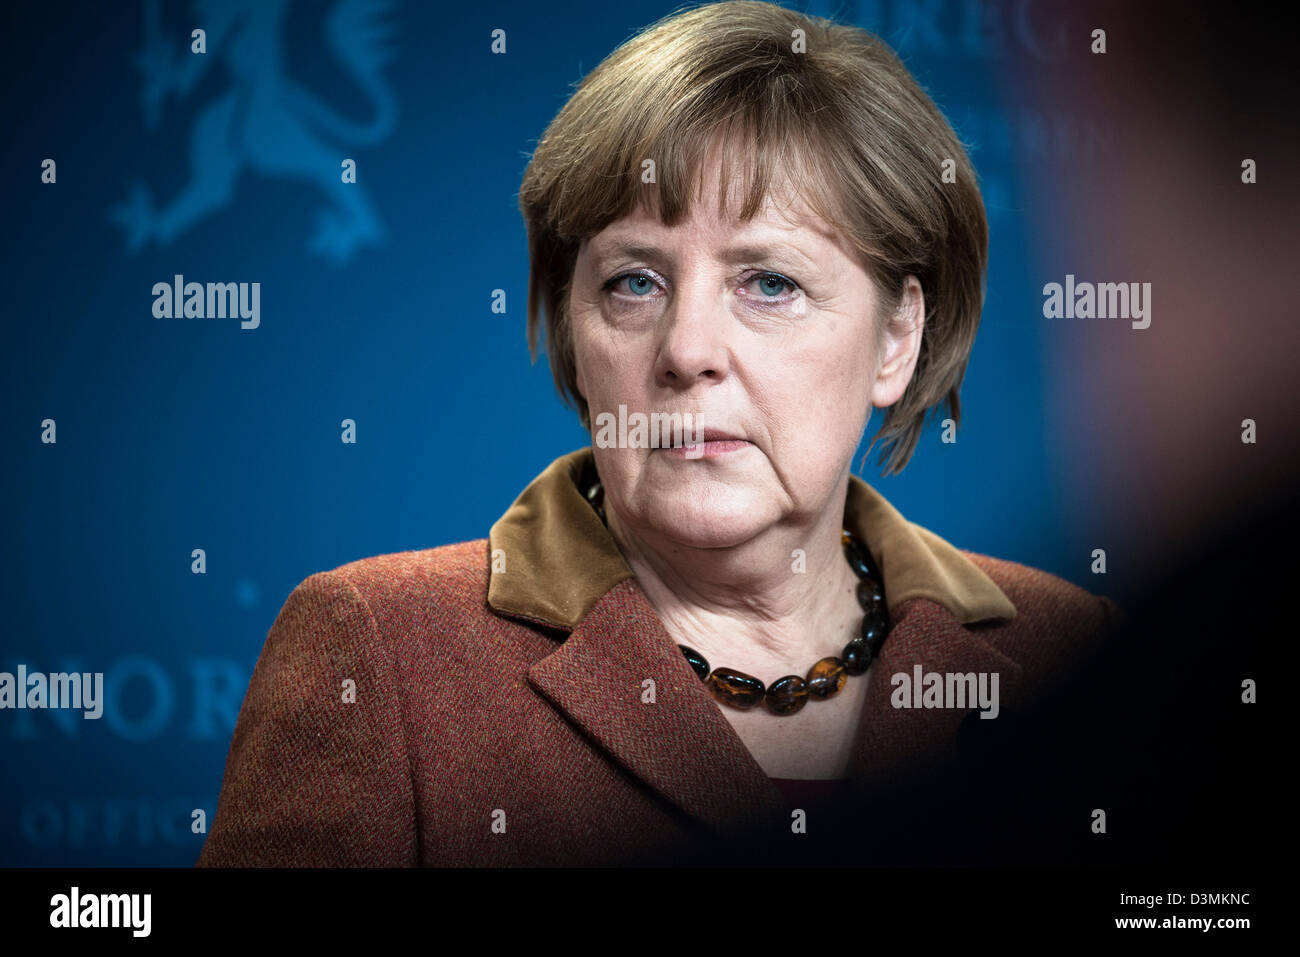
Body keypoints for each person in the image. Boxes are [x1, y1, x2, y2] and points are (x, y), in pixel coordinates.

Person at [197, 0, 1125, 868]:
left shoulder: (1072, 653)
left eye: (769, 283)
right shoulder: (381, 652)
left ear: (896, 339)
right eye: (633, 282)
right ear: (573, 327)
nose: (685, 350)